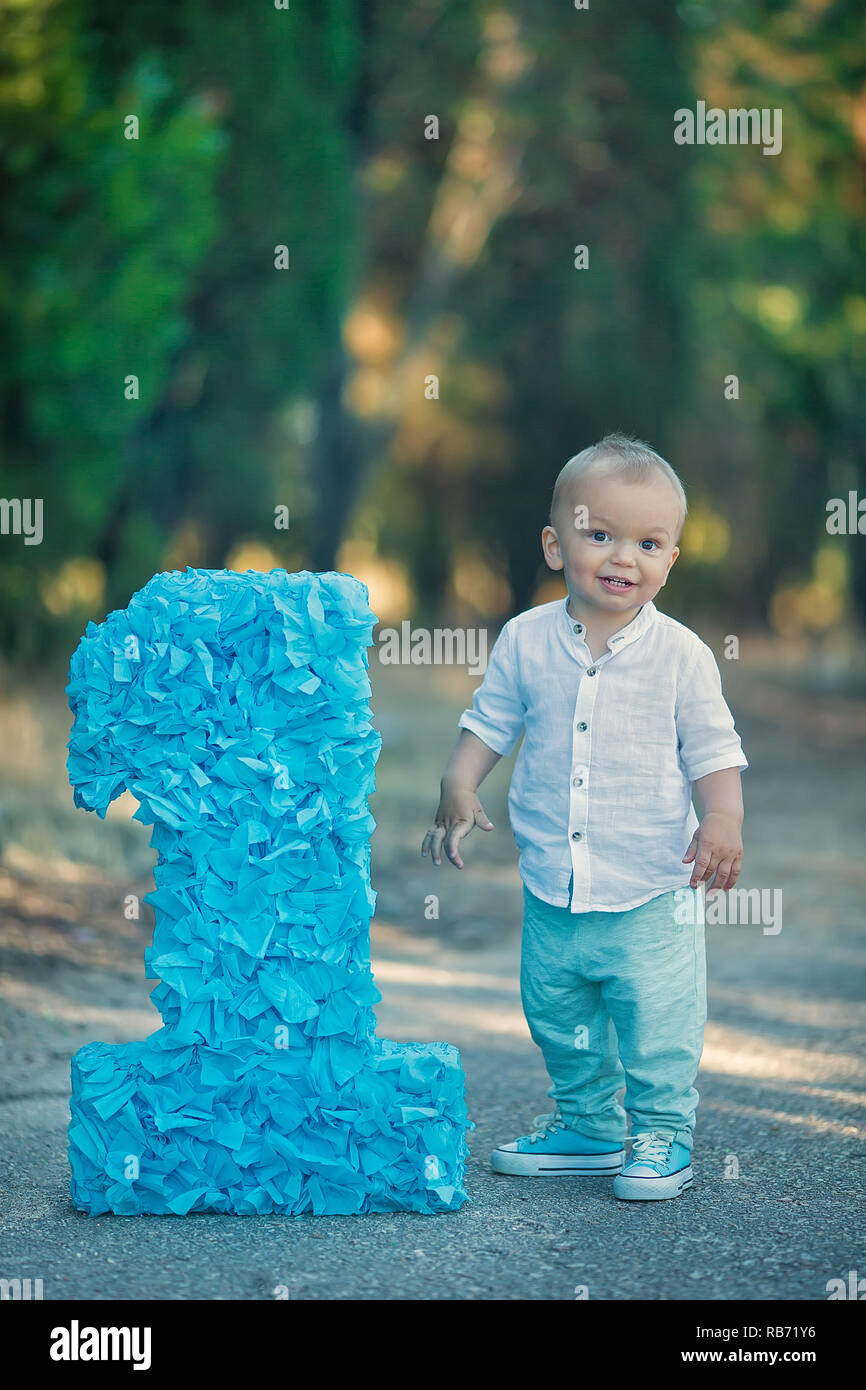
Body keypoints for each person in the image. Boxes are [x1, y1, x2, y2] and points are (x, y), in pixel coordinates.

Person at [421, 432, 747, 1200]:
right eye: (599, 534)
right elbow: (491, 722)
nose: (621, 556)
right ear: (556, 543)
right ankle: (589, 1125)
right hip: (554, 887)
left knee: (656, 1024)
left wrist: (723, 819)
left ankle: (663, 1131)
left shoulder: (682, 655)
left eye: (647, 542)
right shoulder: (526, 640)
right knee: (556, 1012)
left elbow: (713, 748)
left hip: (650, 889)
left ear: (672, 558)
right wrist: (458, 780)